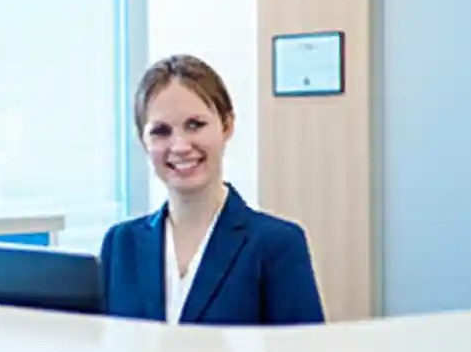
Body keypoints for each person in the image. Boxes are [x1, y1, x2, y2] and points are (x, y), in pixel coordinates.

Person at [101, 54, 325, 325]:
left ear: (226, 126)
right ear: (143, 140)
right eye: (161, 131)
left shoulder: (276, 244)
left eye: (195, 125)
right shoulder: (120, 244)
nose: (180, 146)